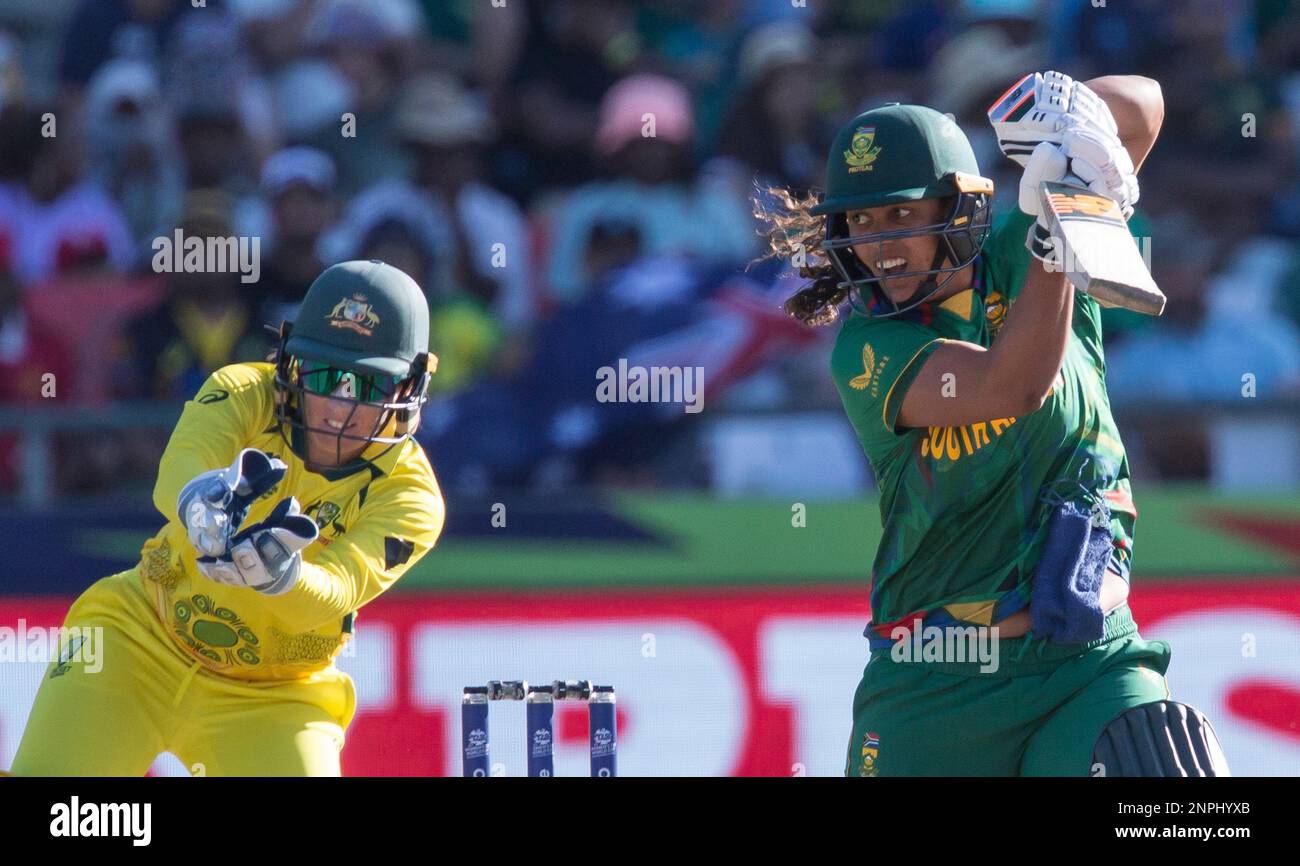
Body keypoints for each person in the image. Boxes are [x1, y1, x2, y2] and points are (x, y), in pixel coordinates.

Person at [755, 72, 1228, 776]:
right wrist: (1060, 232)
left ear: (959, 208)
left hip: (1086, 661)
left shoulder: (1018, 244)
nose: (880, 243)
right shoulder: (868, 348)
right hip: (934, 685)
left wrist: (1070, 128)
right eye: (863, 221)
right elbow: (1016, 385)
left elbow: (1146, 106)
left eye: (901, 213)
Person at [10, 260, 444, 776]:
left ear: (408, 388)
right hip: (138, 638)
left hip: (276, 695)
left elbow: (340, 588)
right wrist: (201, 504)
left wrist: (284, 576)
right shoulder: (245, 390)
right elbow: (178, 470)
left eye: (367, 386)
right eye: (325, 376)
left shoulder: (411, 495)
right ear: (292, 364)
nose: (337, 407)